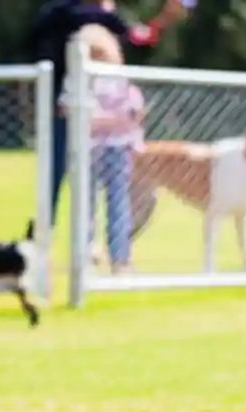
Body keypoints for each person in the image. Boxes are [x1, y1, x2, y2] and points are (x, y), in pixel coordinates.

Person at [27, 0, 185, 219]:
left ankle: (69, 236)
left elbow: (138, 40)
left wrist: (164, 20)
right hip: (68, 104)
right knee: (62, 170)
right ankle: (52, 231)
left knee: (92, 180)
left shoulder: (94, 14)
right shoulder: (75, 14)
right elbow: (134, 37)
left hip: (99, 109)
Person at [79, 24, 145, 274]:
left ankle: (118, 258)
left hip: (113, 148)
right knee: (90, 205)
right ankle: (96, 256)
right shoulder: (85, 81)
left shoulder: (116, 81)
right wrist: (117, 121)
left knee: (116, 205)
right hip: (94, 148)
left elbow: (133, 114)